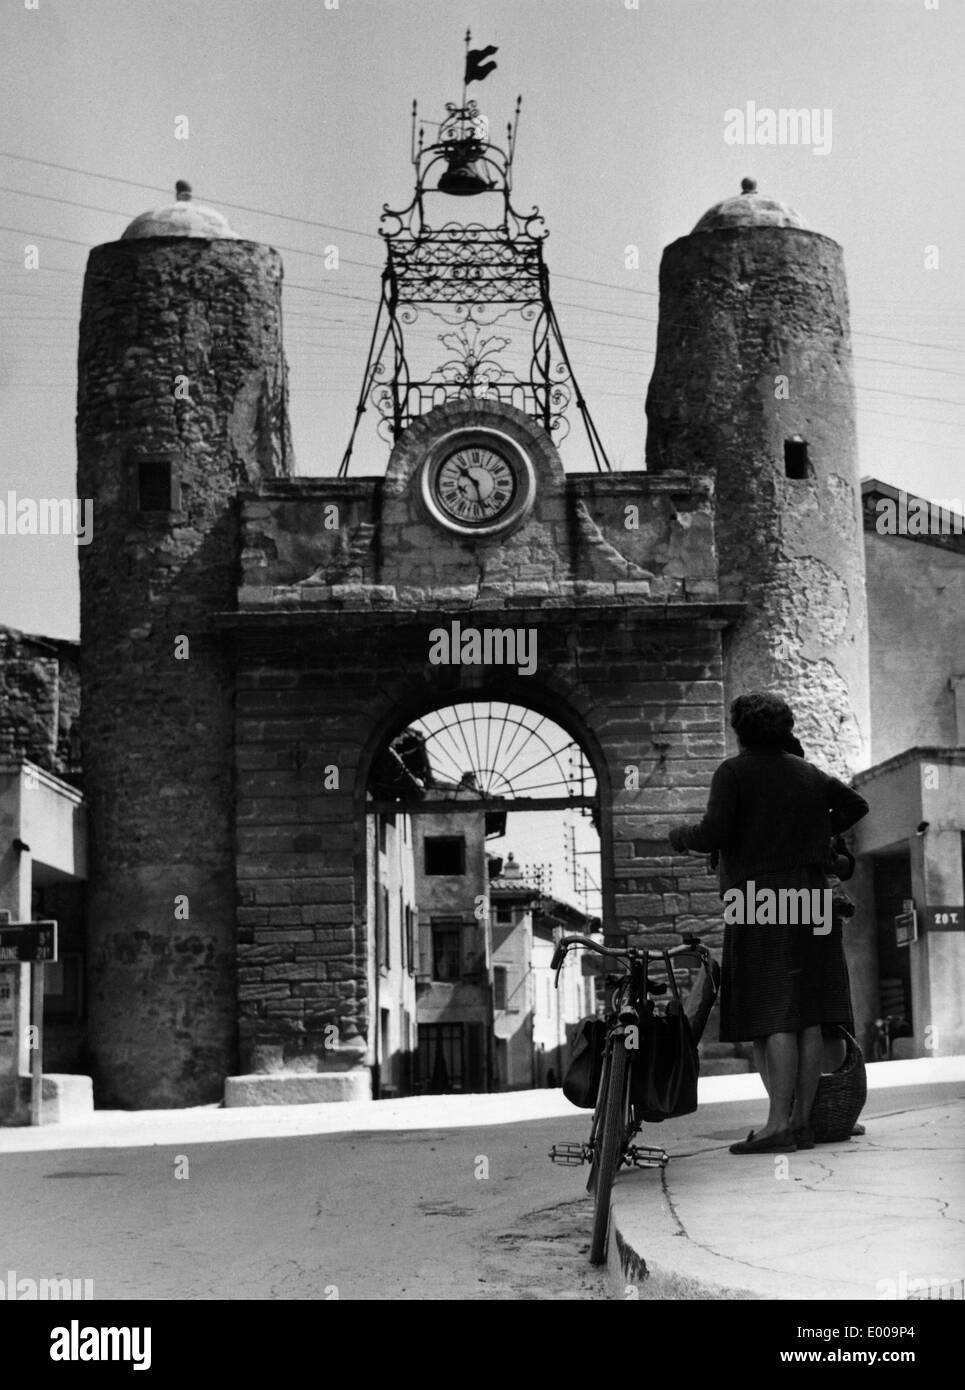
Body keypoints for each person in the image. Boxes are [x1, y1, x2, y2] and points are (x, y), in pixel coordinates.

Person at [668, 691, 869, 1154]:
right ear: (786, 727)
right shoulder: (808, 774)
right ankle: (801, 1122)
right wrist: (818, 830)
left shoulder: (734, 773)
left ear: (740, 730)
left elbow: (713, 832)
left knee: (772, 1010)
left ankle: (778, 1124)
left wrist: (682, 836)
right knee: (810, 1015)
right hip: (812, 899)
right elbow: (856, 805)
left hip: (760, 900)